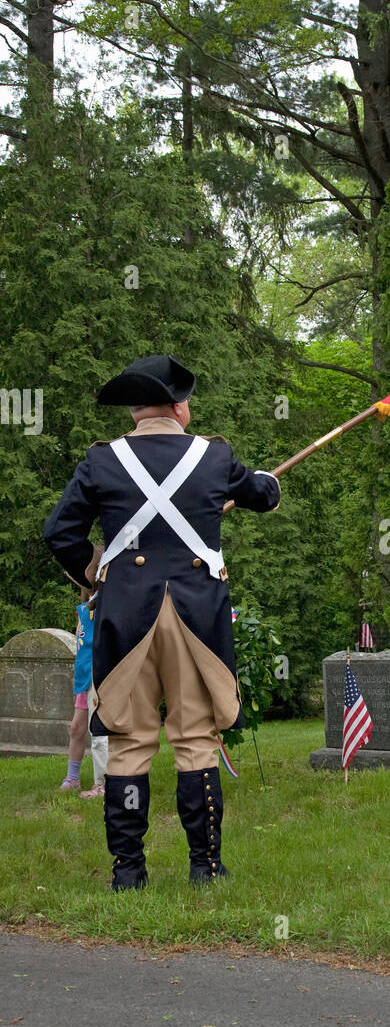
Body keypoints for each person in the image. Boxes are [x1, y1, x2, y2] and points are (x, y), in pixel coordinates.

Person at [43, 354, 280, 890]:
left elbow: (59, 531)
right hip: (197, 618)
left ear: (134, 412)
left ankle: (128, 874)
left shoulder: (101, 462)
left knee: (128, 743)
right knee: (196, 738)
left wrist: (95, 572)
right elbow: (262, 496)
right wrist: (253, 481)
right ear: (179, 406)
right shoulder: (214, 459)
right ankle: (206, 868)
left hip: (126, 618)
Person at [60, 561, 109, 798]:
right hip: (84, 679)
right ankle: (73, 777)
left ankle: (103, 783)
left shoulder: (106, 603)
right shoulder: (84, 608)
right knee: (76, 728)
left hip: (99, 677)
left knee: (99, 731)